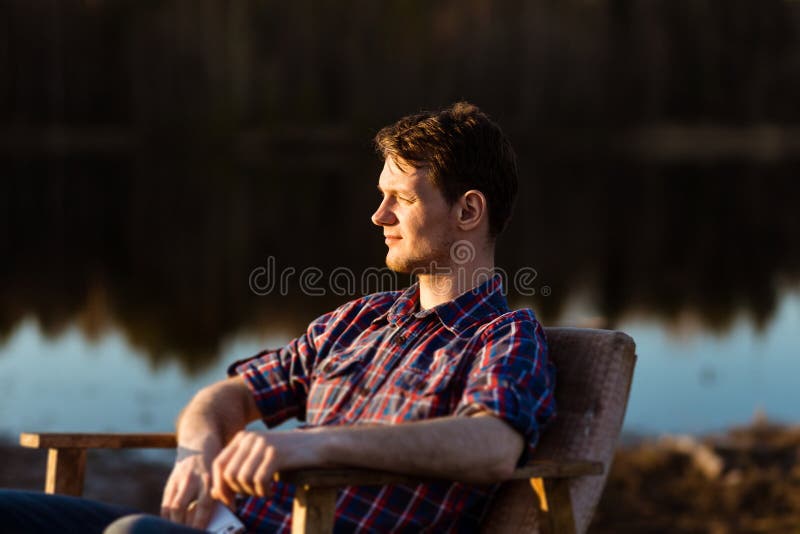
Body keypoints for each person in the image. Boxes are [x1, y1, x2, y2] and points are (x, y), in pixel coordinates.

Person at [0, 102, 556, 533]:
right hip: (225, 523)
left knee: (133, 532)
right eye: (380, 195)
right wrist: (197, 452)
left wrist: (316, 444)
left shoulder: (503, 338)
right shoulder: (360, 319)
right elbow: (228, 396)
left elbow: (492, 446)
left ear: (468, 210)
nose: (377, 214)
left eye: (401, 199)